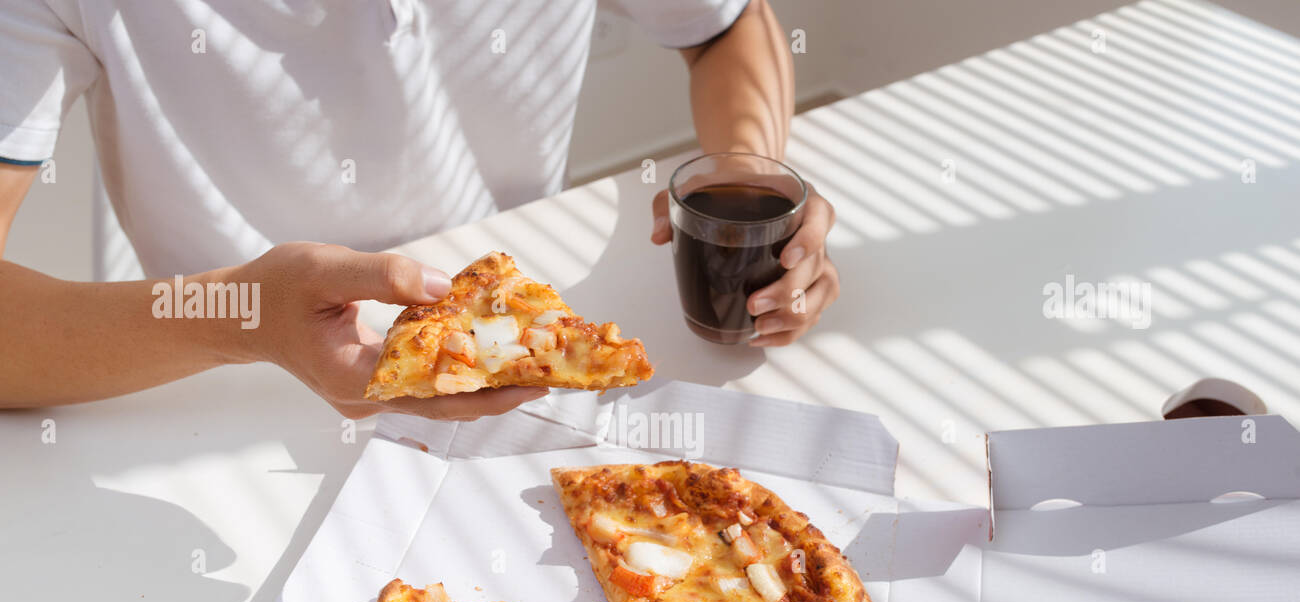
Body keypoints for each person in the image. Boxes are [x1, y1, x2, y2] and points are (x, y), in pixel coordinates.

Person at [0, 0, 839, 419]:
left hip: (523, 362)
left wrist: (746, 172)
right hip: (205, 388)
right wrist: (242, 313)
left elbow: (727, 30)